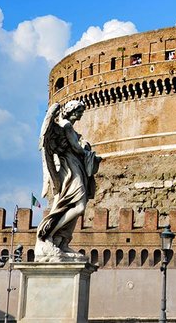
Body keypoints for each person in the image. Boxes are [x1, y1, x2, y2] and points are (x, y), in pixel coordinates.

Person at [35, 100, 102, 261]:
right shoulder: (65, 125)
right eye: (79, 112)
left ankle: (62, 241)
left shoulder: (67, 126)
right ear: (72, 111)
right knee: (78, 206)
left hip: (75, 165)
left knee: (75, 205)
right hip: (70, 168)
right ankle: (47, 236)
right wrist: (87, 151)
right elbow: (76, 147)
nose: (81, 115)